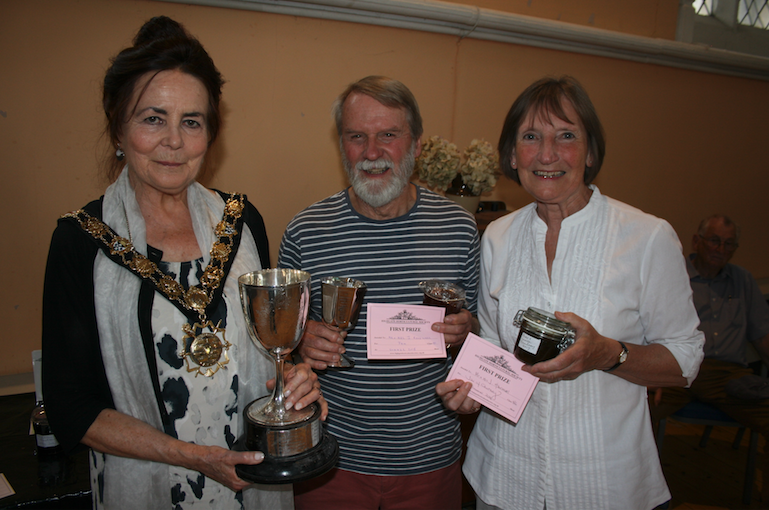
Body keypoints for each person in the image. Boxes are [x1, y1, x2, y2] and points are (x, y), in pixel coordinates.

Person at [41, 16, 324, 509]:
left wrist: (294, 377)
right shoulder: (80, 242)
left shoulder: (242, 222)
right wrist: (193, 456)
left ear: (210, 134)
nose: (174, 140)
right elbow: (73, 409)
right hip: (146, 487)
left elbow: (268, 350)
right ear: (118, 128)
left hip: (253, 486)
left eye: (191, 122)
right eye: (153, 118)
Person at [437, 76, 705, 510]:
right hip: (503, 477)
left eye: (566, 136)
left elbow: (685, 359)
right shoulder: (498, 238)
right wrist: (472, 389)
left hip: (605, 483)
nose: (547, 154)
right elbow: (490, 340)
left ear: (591, 152)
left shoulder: (646, 237)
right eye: (531, 137)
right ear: (511, 154)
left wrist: (608, 355)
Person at [278, 75, 480, 509]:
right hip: (328, 462)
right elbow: (273, 352)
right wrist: (297, 344)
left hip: (430, 461)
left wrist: (467, 331)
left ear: (417, 146)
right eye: (357, 137)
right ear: (341, 145)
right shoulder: (304, 233)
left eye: (388, 135)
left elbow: (484, 341)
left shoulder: (459, 230)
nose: (372, 153)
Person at [650, 214, 769, 498]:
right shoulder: (674, 272)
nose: (721, 249)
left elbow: (762, 335)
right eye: (715, 241)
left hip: (728, 375)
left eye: (729, 244)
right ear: (697, 241)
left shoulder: (743, 280)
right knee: (633, 414)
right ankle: (642, 495)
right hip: (676, 369)